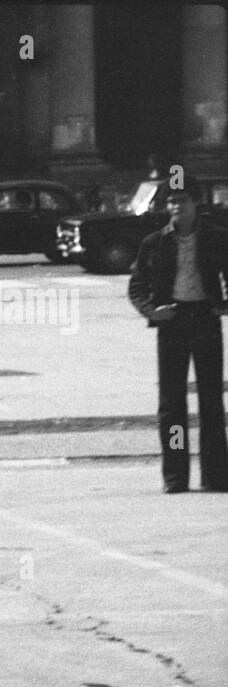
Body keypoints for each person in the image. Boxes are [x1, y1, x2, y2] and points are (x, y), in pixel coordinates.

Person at [127, 180, 228, 493]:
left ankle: (215, 476)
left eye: (182, 201)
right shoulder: (154, 243)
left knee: (211, 401)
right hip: (172, 322)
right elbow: (137, 287)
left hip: (205, 319)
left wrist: (223, 305)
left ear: (196, 204)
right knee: (172, 404)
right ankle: (175, 477)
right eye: (170, 202)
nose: (176, 207)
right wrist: (151, 311)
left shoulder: (216, 238)